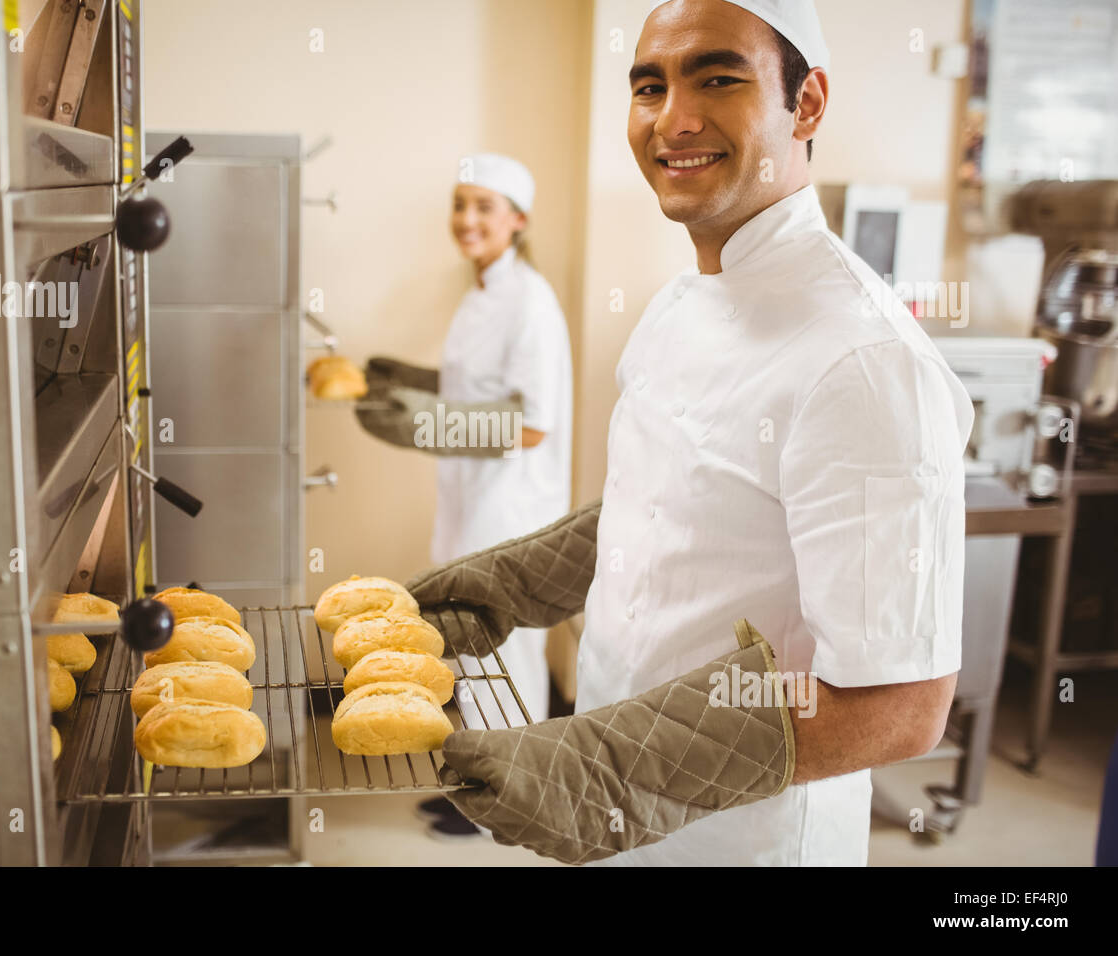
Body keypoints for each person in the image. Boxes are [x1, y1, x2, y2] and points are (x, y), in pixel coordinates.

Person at [405, 0, 975, 865]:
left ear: (807, 104)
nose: (673, 118)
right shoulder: (679, 306)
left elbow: (901, 702)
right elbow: (671, 505)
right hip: (618, 827)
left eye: (718, 77)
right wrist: (514, 584)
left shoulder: (863, 361)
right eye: (649, 86)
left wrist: (608, 768)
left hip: (742, 842)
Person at [356, 153, 573, 841]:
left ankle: (512, 800)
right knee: (469, 649)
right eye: (461, 204)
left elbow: (533, 423)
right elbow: (474, 390)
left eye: (485, 206)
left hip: (509, 505)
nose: (468, 219)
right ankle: (478, 790)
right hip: (468, 497)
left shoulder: (530, 300)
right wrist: (404, 379)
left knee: (505, 655)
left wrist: (426, 419)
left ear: (518, 220)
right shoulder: (480, 291)